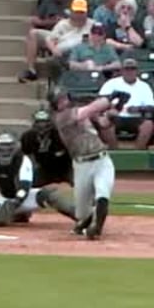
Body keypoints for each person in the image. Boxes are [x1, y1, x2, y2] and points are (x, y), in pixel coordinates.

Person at [50, 88, 122, 240]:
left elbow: (104, 123)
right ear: (55, 105)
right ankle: (85, 221)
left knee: (103, 193)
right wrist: (109, 98)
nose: (63, 102)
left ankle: (96, 228)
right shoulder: (62, 118)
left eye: (64, 98)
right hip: (82, 165)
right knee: (82, 213)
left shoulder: (80, 113)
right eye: (59, 100)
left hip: (102, 160)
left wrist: (117, 109)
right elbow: (90, 109)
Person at [0, 131, 77, 227]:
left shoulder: (23, 160)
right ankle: (18, 215)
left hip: (23, 198)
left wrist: (14, 203)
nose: (5, 150)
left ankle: (80, 216)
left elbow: (24, 188)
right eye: (2, 147)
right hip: (2, 198)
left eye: (8, 147)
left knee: (50, 193)